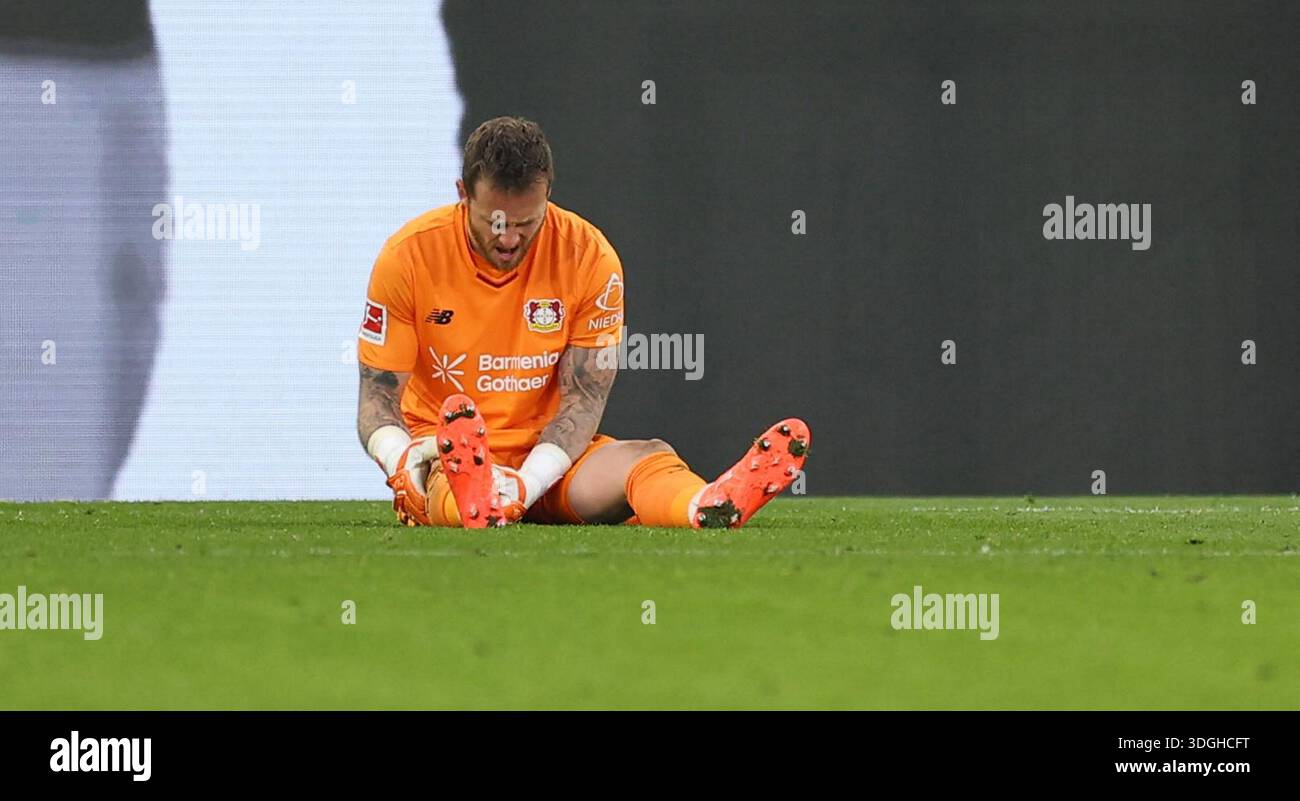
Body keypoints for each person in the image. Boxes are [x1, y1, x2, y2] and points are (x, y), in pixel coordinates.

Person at [355, 116, 808, 528]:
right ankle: (479, 504)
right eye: (494, 223)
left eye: (526, 223)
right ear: (462, 195)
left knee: (649, 456)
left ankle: (704, 506)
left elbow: (586, 397)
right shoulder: (408, 257)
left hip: (551, 464)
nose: (509, 238)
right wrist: (402, 461)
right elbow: (376, 395)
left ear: (548, 196)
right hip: (445, 456)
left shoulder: (589, 256)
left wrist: (527, 485)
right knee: (447, 490)